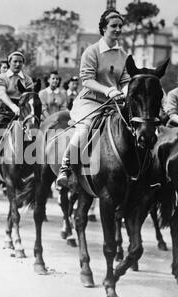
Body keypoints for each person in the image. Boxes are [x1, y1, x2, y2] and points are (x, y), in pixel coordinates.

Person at [56, 9, 130, 187]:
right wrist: (108, 91)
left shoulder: (124, 55)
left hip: (113, 104)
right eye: (114, 26)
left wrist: (125, 92)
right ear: (104, 28)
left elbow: (126, 80)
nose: (118, 29)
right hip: (89, 102)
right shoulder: (92, 51)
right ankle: (65, 166)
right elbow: (87, 80)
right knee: (86, 127)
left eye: (120, 26)